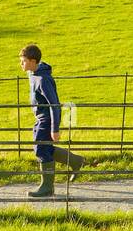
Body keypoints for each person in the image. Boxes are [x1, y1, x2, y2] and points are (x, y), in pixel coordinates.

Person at [19, 44, 85, 198]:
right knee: (44, 149)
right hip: (40, 118)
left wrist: (55, 129)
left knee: (41, 150)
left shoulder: (43, 79)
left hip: (47, 120)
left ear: (33, 61)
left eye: (23, 61)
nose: (21, 64)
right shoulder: (33, 73)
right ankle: (76, 161)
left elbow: (54, 105)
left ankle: (47, 187)